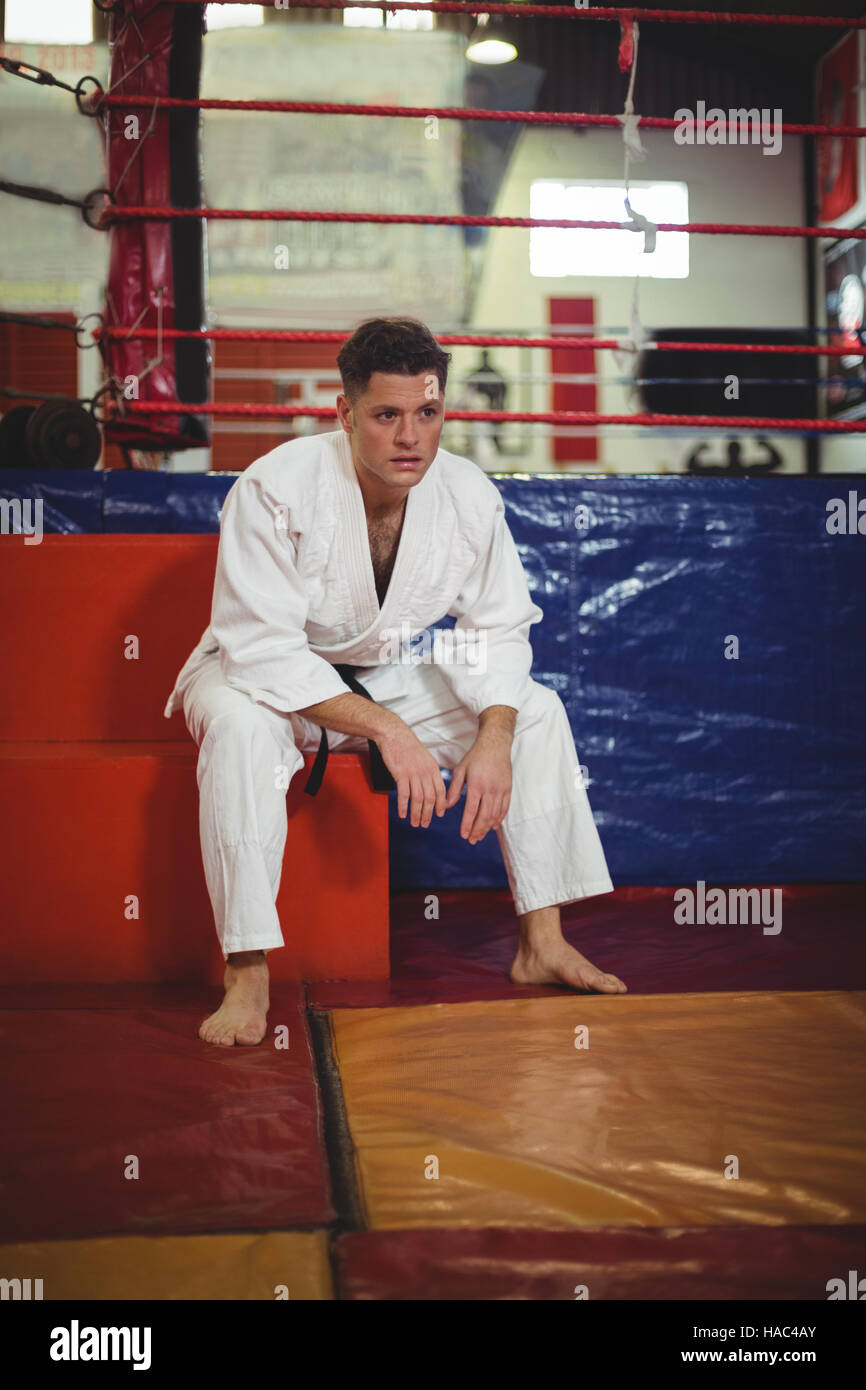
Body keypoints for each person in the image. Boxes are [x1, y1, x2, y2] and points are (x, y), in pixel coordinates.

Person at [163, 317, 626, 1047]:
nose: (411, 436)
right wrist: (388, 728)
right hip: (256, 679)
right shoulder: (275, 489)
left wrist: (494, 732)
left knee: (533, 711)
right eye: (386, 415)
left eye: (428, 413)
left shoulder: (468, 496)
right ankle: (247, 967)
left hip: (380, 676)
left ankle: (543, 942)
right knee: (238, 731)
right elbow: (259, 648)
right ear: (344, 414)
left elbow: (501, 627)